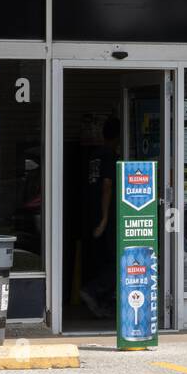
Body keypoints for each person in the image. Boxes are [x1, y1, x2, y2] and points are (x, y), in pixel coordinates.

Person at [80, 116, 120, 319]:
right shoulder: (109, 157)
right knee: (117, 259)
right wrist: (105, 219)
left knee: (102, 259)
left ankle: (103, 302)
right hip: (106, 217)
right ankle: (94, 291)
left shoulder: (93, 156)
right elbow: (107, 185)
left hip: (91, 213)